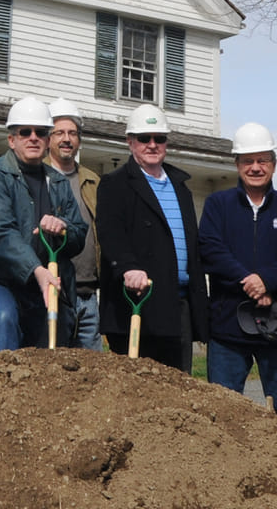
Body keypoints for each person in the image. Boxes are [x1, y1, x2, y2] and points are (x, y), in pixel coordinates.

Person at [0, 97, 87, 359]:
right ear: (12, 140)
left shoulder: (58, 182)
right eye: (25, 132)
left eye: (40, 132)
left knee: (51, 347)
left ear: (48, 139)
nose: (33, 138)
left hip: (42, 284)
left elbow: (79, 234)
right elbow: (1, 234)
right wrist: (37, 271)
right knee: (4, 315)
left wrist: (63, 228)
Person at [199, 122, 277, 415]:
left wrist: (268, 281)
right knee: (223, 413)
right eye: (248, 161)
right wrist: (249, 281)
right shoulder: (218, 204)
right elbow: (211, 250)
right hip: (228, 328)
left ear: (274, 164)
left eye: (262, 160)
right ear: (237, 164)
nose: (255, 167)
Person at [98, 104, 208, 372]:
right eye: (144, 138)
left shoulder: (180, 186)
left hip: (178, 306)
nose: (152, 144)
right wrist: (128, 267)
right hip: (138, 304)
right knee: (136, 388)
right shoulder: (115, 184)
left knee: (178, 386)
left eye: (159, 138)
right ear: (130, 141)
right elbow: (111, 233)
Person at [45, 97, 103, 351]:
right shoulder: (38, 177)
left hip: (89, 295)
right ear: (48, 138)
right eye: (59, 133)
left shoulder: (93, 181)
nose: (66, 139)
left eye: (72, 133)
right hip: (53, 292)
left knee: (92, 369)